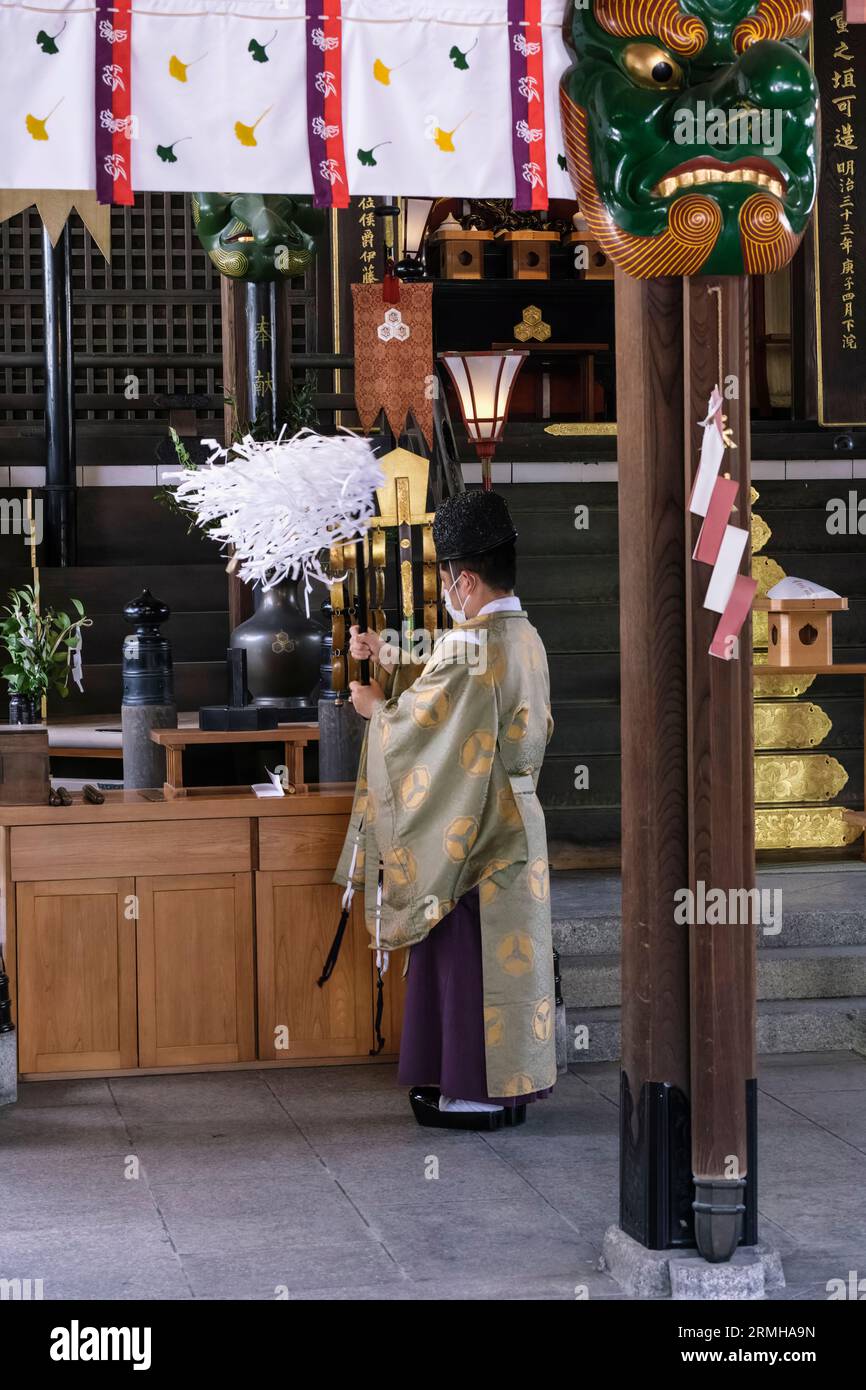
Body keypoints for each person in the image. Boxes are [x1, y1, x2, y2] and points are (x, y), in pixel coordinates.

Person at [333, 490, 556, 1131]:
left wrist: (376, 707)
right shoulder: (526, 637)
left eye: (444, 580)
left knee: (467, 957)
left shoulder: (470, 647)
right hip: (520, 818)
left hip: (476, 827)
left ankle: (471, 1092)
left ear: (464, 578)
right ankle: (505, 1091)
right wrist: (393, 651)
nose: (444, 593)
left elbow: (418, 724)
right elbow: (459, 695)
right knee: (508, 965)